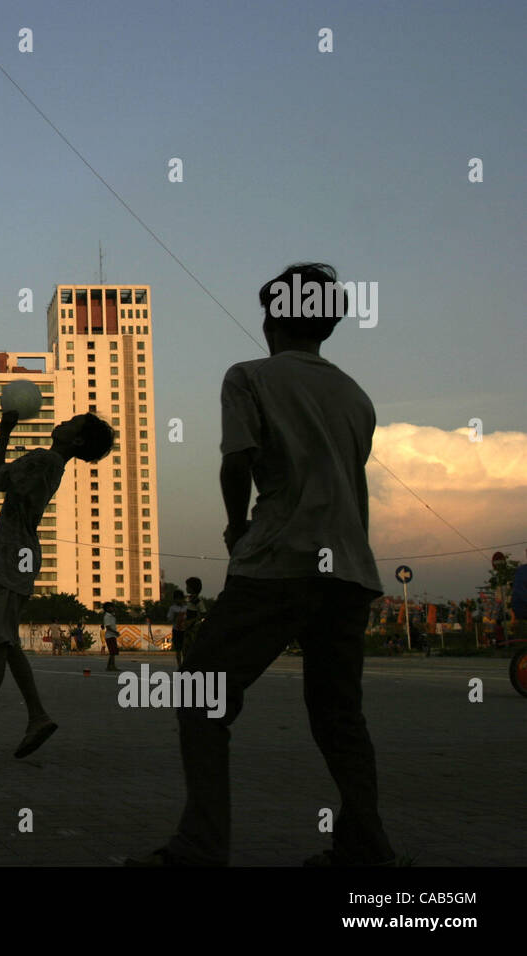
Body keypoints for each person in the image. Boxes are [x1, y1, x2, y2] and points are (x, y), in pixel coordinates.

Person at [128, 263, 395, 868]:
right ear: (327, 324)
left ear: (273, 318)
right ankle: (367, 852)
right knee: (339, 717)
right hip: (350, 571)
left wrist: (235, 525)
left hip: (279, 560)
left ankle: (199, 848)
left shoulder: (248, 377)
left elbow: (238, 461)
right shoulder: (357, 396)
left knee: (202, 695)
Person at [0, 409, 114, 759]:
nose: (62, 422)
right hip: (20, 552)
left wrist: (4, 432)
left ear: (76, 440)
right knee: (7, 641)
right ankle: (37, 717)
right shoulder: (53, 465)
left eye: (71, 423)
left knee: (0, 643)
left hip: (11, 553)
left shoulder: (43, 459)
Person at [167, 590, 188, 667]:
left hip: (185, 630)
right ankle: (179, 665)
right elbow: (169, 619)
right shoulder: (172, 608)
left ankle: (185, 664)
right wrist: (175, 617)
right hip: (176, 630)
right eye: (177, 598)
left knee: (185, 649)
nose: (179, 600)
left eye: (180, 598)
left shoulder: (186, 607)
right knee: (178, 649)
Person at [102, 603, 120, 671]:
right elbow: (108, 627)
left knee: (113, 652)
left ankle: (110, 666)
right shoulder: (107, 616)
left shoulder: (111, 615)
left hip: (112, 635)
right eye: (111, 607)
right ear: (107, 608)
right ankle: (111, 666)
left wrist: (115, 610)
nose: (112, 608)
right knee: (112, 652)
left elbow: (117, 614)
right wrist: (115, 632)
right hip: (109, 636)